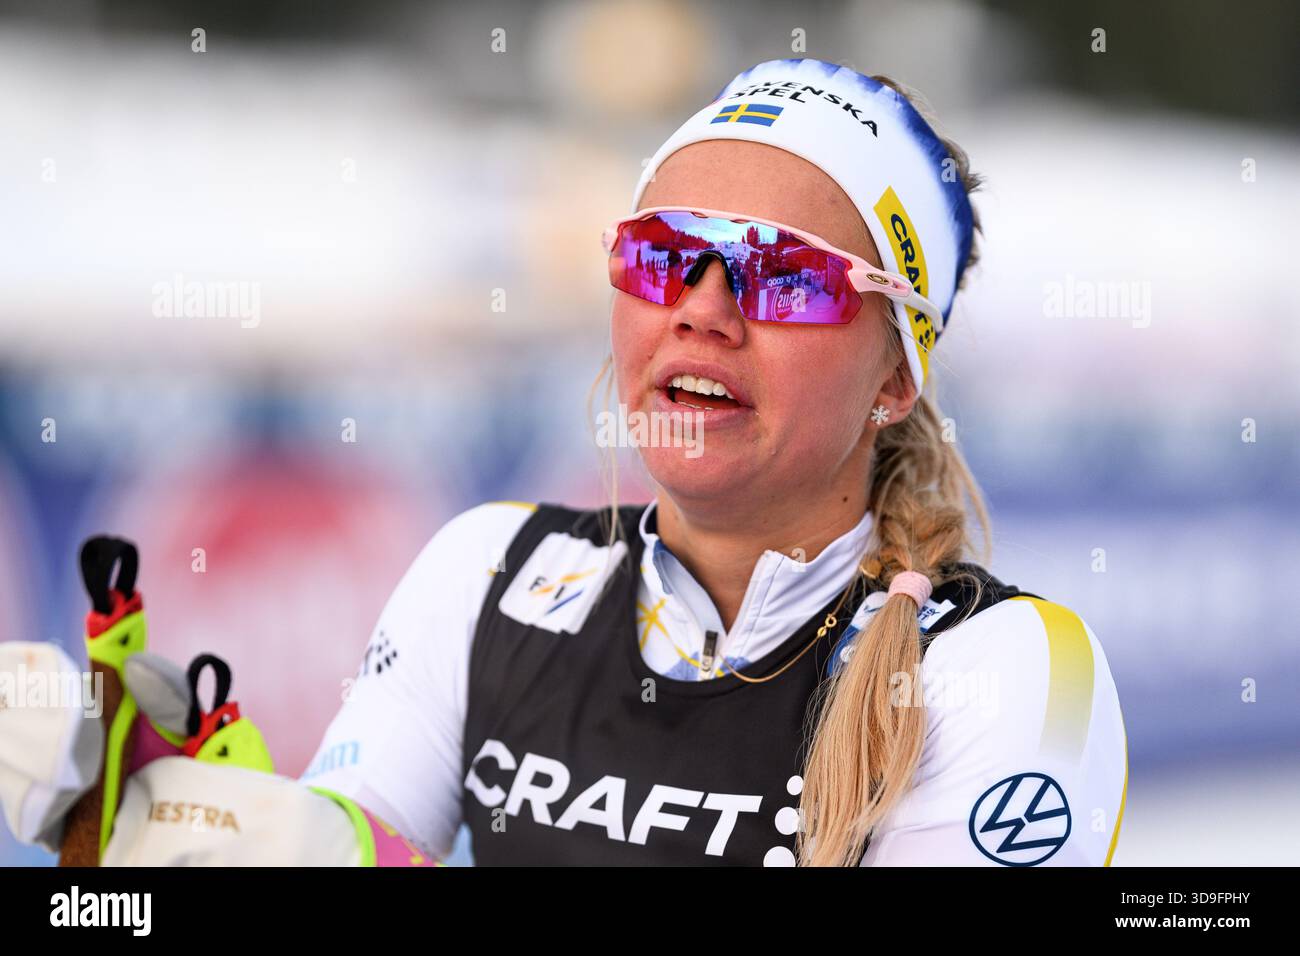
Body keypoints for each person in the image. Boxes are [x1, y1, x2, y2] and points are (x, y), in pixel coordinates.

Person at [0, 58, 1126, 868]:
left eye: (785, 275)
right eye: (662, 256)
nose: (701, 311)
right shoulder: (484, 571)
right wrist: (173, 853)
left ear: (895, 375)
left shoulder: (1008, 670)